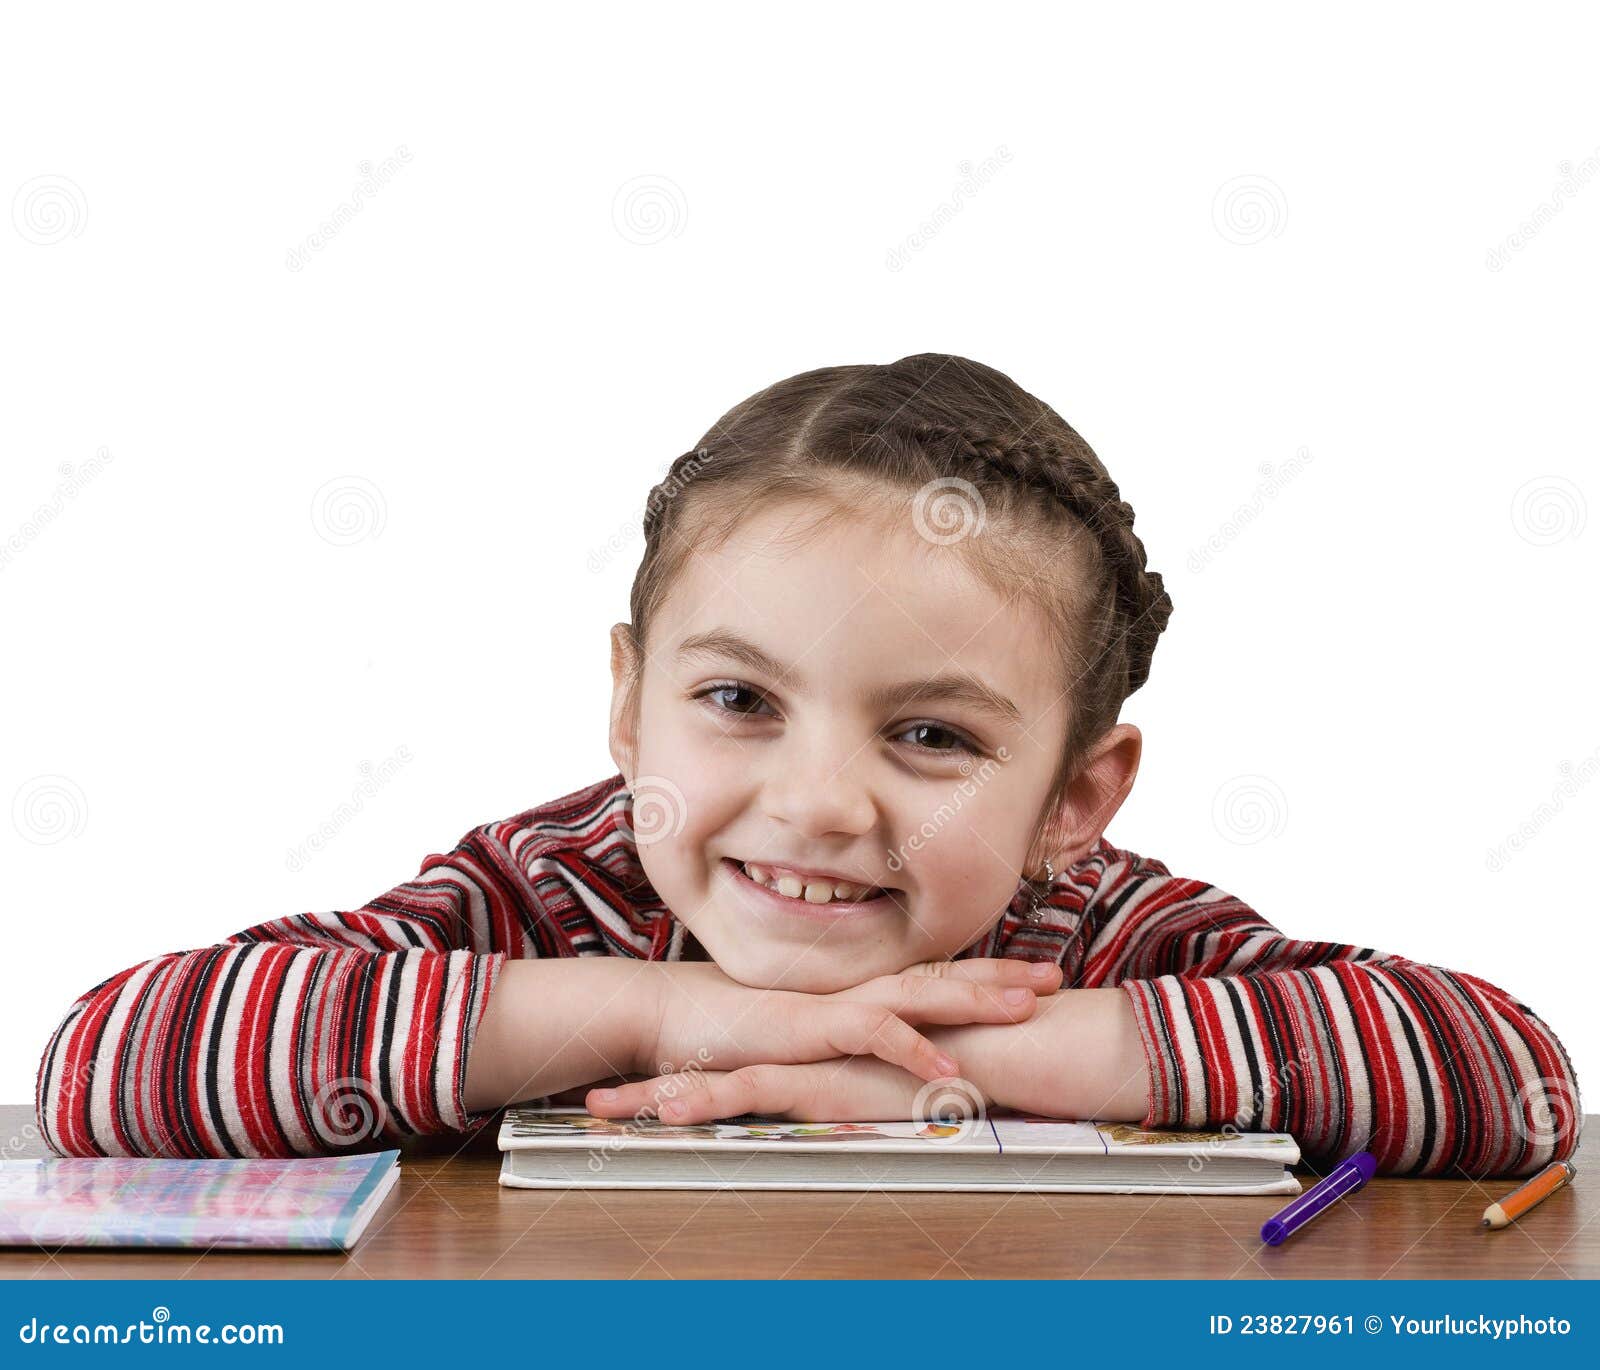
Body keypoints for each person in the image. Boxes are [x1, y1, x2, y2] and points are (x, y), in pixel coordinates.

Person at [36, 354, 1581, 1177]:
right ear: (631, 707)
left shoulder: (1084, 937)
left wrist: (945, 1064)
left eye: (931, 736)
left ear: (1071, 800)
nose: (822, 801)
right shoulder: (556, 890)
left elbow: (1513, 1077)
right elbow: (107, 1063)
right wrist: (672, 1009)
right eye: (737, 700)